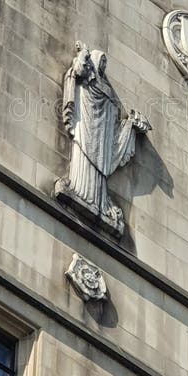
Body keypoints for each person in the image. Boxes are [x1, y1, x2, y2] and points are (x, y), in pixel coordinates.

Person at [54, 43, 151, 238]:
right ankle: (77, 190)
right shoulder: (86, 78)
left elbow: (112, 113)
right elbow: (77, 71)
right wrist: (83, 54)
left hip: (102, 138)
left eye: (105, 63)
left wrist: (130, 124)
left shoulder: (107, 89)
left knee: (98, 170)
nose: (103, 66)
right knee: (83, 162)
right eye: (102, 62)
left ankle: (99, 203)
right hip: (85, 126)